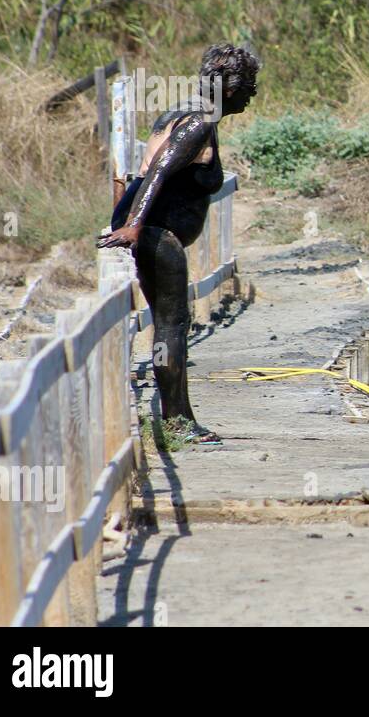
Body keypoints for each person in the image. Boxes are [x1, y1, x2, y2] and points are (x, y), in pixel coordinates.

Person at [97, 44, 261, 441]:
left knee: (173, 326)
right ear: (228, 88)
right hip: (157, 233)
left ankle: (181, 417)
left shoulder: (187, 110)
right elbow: (157, 171)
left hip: (154, 230)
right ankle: (177, 424)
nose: (253, 94)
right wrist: (135, 225)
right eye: (249, 86)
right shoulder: (198, 123)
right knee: (172, 327)